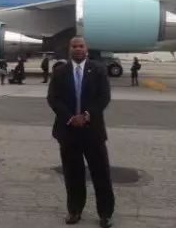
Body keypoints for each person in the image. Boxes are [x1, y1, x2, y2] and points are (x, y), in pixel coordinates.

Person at [47, 37, 115, 227]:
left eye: (81, 46)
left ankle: (105, 214)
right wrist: (71, 117)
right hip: (68, 132)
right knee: (72, 175)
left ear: (87, 49)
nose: (78, 49)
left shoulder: (98, 70)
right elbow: (53, 98)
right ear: (70, 49)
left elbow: (104, 97)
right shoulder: (60, 72)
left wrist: (86, 115)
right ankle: (74, 210)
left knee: (101, 174)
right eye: (74, 46)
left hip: (92, 131)